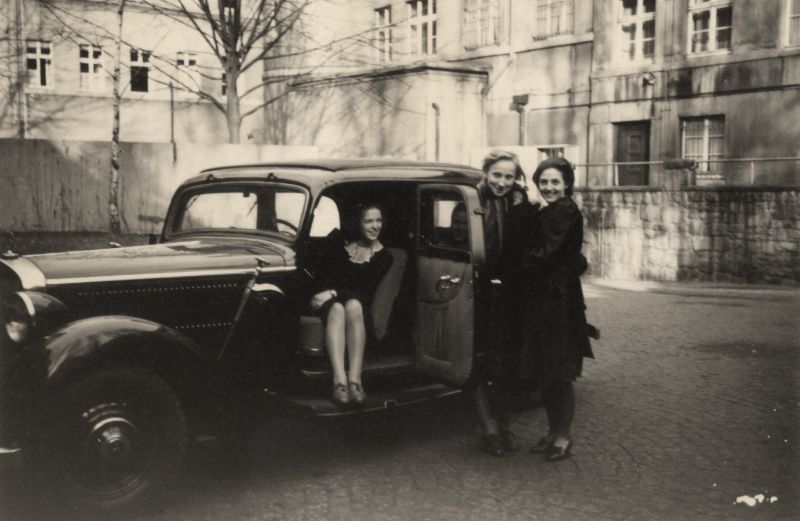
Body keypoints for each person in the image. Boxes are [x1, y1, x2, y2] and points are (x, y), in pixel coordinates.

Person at [521, 157, 594, 462]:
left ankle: (563, 436)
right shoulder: (547, 211)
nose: (549, 187)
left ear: (566, 185)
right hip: (546, 297)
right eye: (544, 182)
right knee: (546, 371)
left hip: (558, 300)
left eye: (555, 182)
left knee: (559, 371)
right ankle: (553, 433)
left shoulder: (564, 209)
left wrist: (518, 259)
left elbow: (546, 254)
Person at [309, 204, 393, 407]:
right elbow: (330, 278)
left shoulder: (384, 256)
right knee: (338, 308)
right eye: (369, 221)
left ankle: (355, 381)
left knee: (354, 304)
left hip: (360, 312)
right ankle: (340, 382)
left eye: (378, 220)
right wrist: (329, 294)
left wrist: (332, 292)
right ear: (359, 223)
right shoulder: (343, 247)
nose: (375, 226)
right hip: (333, 306)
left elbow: (365, 291)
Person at [474, 150, 529, 456]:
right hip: (479, 289)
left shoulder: (518, 204)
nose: (502, 182)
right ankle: (489, 430)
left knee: (508, 361)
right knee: (482, 359)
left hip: (510, 290)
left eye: (509, 176)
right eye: (497, 175)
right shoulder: (470, 201)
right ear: (486, 172)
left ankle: (504, 422)